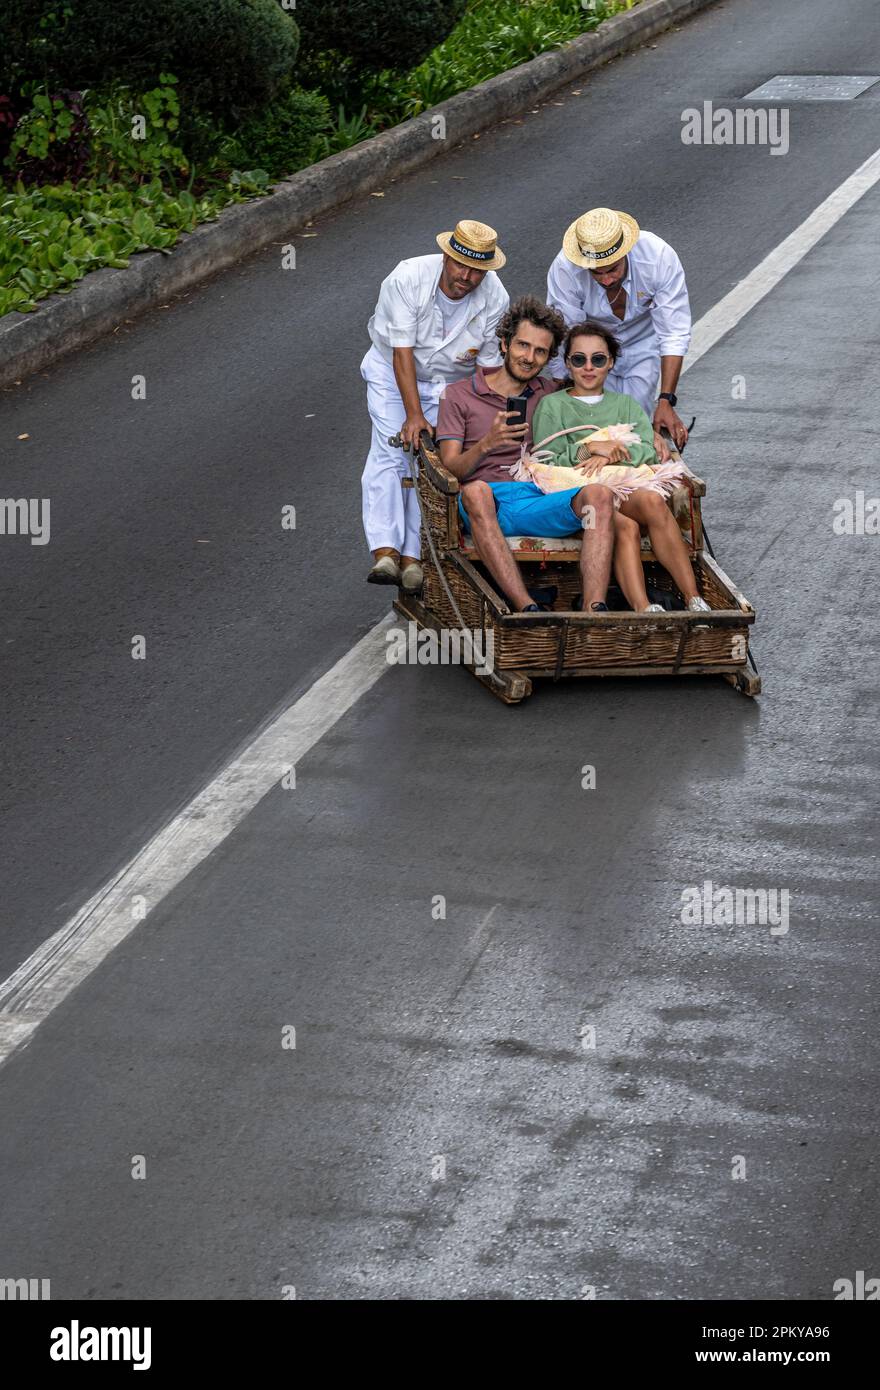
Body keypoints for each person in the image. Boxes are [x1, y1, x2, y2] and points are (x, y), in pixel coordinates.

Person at [435, 296, 615, 614]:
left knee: (598, 496)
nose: (529, 358)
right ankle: (527, 609)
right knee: (475, 491)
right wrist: (486, 444)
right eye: (522, 345)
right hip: (487, 503)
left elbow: (603, 409)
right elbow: (451, 469)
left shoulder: (552, 392)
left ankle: (594, 611)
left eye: (540, 351)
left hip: (539, 498)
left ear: (548, 357)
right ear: (504, 344)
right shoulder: (458, 395)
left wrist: (648, 432)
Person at [361, 219, 509, 592]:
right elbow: (402, 352)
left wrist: (483, 424)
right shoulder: (407, 277)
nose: (466, 276)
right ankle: (385, 551)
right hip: (393, 373)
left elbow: (488, 368)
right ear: (447, 255)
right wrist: (413, 415)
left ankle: (413, 558)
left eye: (477, 270)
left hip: (451, 383)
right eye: (461, 264)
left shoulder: (495, 297)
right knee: (395, 450)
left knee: (436, 466)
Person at [530, 321, 711, 614]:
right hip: (579, 494)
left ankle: (694, 598)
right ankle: (643, 607)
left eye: (598, 359)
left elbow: (648, 450)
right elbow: (546, 457)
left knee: (652, 501)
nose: (588, 367)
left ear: (610, 362)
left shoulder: (624, 404)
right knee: (624, 526)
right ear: (567, 364)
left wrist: (611, 454)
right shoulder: (553, 406)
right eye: (579, 359)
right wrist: (590, 448)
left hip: (623, 484)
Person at [546, 207, 692, 449]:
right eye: (596, 272)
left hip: (643, 343)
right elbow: (564, 335)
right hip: (592, 349)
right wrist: (564, 390)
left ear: (625, 252)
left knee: (638, 424)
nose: (606, 280)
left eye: (612, 269)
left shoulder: (657, 257)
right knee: (596, 424)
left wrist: (666, 400)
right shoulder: (564, 269)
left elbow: (674, 333)